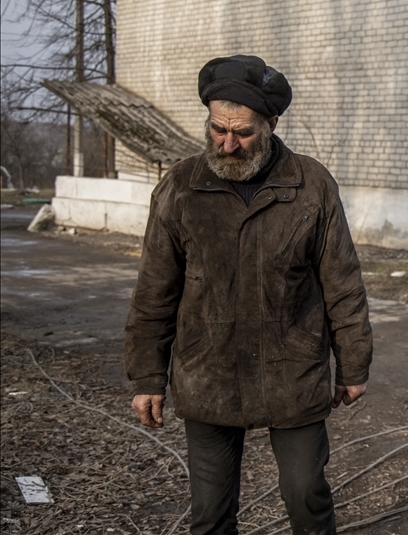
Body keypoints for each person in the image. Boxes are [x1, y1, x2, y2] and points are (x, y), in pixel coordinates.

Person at [125, 55, 373, 535]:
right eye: (218, 129)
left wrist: (354, 362)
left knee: (307, 496)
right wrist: (147, 376)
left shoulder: (312, 185)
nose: (229, 144)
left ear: (272, 124)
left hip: (292, 372)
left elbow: (342, 282)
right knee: (211, 514)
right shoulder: (179, 188)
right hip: (207, 372)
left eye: (243, 132)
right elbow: (155, 290)